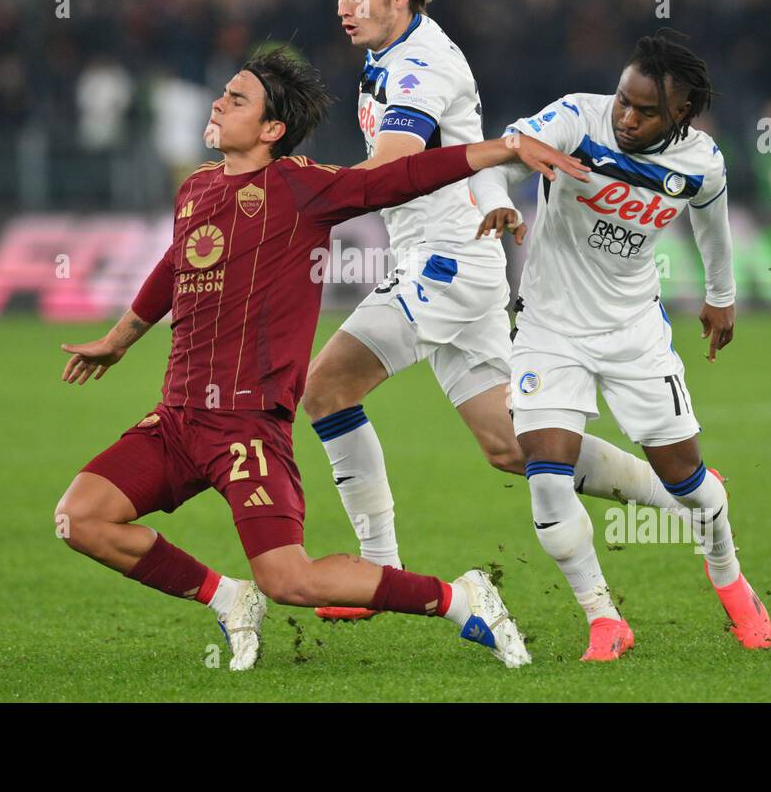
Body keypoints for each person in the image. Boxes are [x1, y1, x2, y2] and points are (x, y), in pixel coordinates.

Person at [54, 48, 588, 670]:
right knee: (81, 518)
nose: (217, 105)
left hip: (246, 427)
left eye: (236, 99)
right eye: (223, 94)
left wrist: (506, 148)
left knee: (291, 580)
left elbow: (398, 178)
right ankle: (227, 598)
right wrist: (120, 339)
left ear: (272, 129)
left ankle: (459, 598)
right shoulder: (196, 188)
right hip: (175, 421)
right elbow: (175, 265)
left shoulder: (298, 188)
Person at [305, 0, 690, 653]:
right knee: (513, 447)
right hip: (464, 260)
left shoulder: (418, 64)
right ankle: (674, 490)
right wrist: (493, 190)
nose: (345, 9)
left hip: (442, 266)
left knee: (325, 389)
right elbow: (470, 138)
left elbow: (388, 167)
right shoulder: (394, 51)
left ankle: (379, 570)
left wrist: (297, 182)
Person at [470, 30, 771, 655]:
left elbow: (711, 226)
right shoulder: (579, 117)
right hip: (550, 327)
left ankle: (731, 581)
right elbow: (503, 151)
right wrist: (500, 201)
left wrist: (721, 296)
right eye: (623, 102)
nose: (627, 118)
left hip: (635, 332)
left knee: (686, 480)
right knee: (547, 480)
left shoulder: (701, 162)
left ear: (682, 114)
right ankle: (605, 619)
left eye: (646, 110)